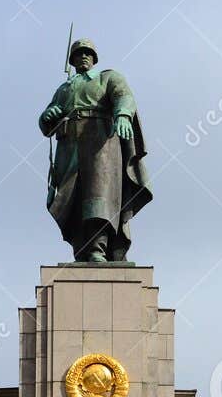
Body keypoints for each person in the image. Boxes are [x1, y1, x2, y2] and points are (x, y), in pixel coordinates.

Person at [36, 38, 153, 262]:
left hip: (100, 142)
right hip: (69, 145)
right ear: (72, 60)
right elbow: (46, 124)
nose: (84, 57)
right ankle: (82, 249)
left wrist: (123, 115)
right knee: (73, 198)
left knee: (98, 195)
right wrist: (47, 117)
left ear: (94, 58)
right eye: (79, 54)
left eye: (88, 53)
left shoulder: (107, 77)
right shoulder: (64, 89)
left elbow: (123, 96)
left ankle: (97, 248)